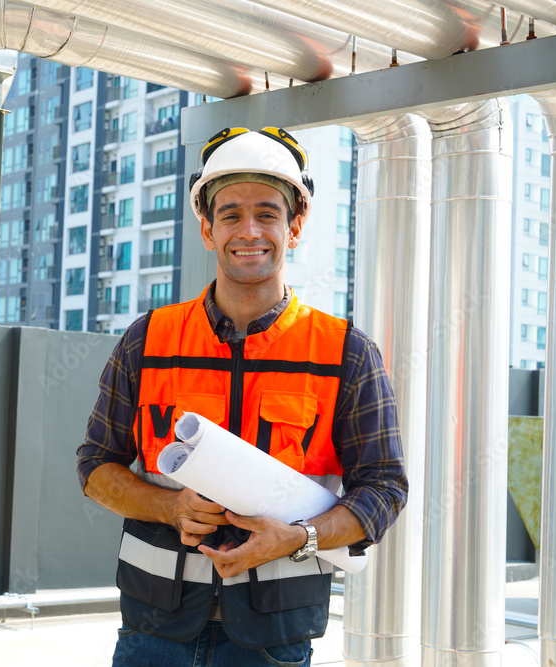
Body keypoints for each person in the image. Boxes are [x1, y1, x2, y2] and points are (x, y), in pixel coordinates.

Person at [76, 126, 407, 667]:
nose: (248, 230)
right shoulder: (148, 340)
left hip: (272, 635)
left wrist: (295, 538)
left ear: (294, 226)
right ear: (206, 229)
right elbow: (94, 467)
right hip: (154, 630)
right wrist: (169, 506)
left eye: (267, 213)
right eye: (229, 214)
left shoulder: (344, 353)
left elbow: (384, 489)